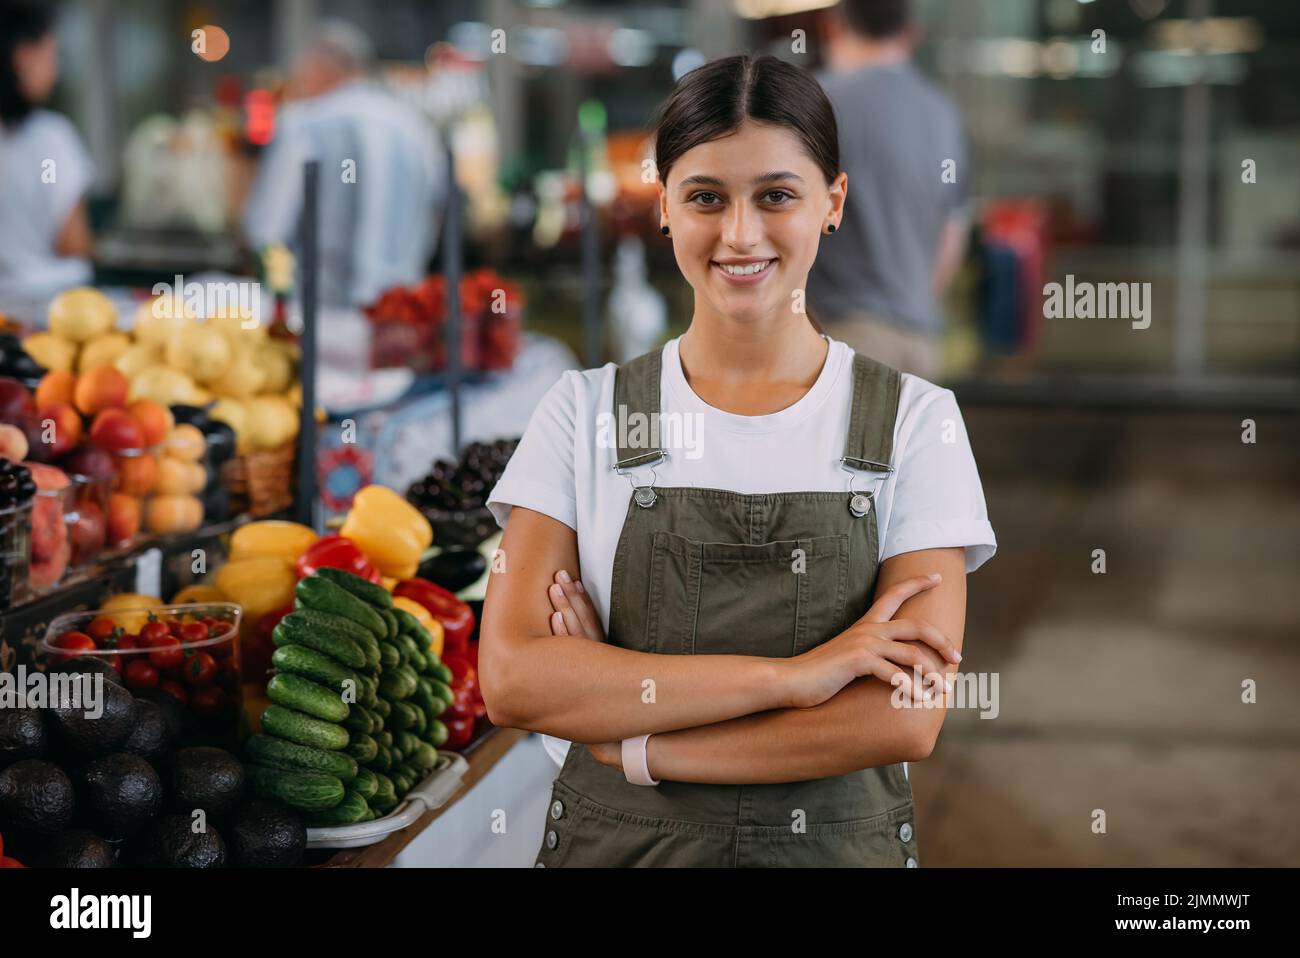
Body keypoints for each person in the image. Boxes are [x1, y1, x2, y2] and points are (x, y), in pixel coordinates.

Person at [480, 55, 996, 867]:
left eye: (777, 196)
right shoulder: (583, 414)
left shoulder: (915, 423)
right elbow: (513, 679)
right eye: (706, 197)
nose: (741, 234)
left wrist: (638, 737)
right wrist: (798, 678)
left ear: (833, 202)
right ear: (664, 208)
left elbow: (903, 714)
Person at [805, 0, 970, 381]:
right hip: (923, 342)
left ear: (832, 26)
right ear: (911, 32)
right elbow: (952, 235)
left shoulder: (817, 106)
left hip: (843, 341)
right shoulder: (942, 113)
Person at [243, 19, 444, 309]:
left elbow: (266, 227)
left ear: (319, 67)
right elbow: (434, 214)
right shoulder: (415, 127)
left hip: (316, 315)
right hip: (398, 316)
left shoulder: (304, 123)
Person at [0, 1, 95, 315]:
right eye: (52, 55)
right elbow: (72, 242)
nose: (55, 70)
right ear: (23, 57)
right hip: (51, 312)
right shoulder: (51, 137)